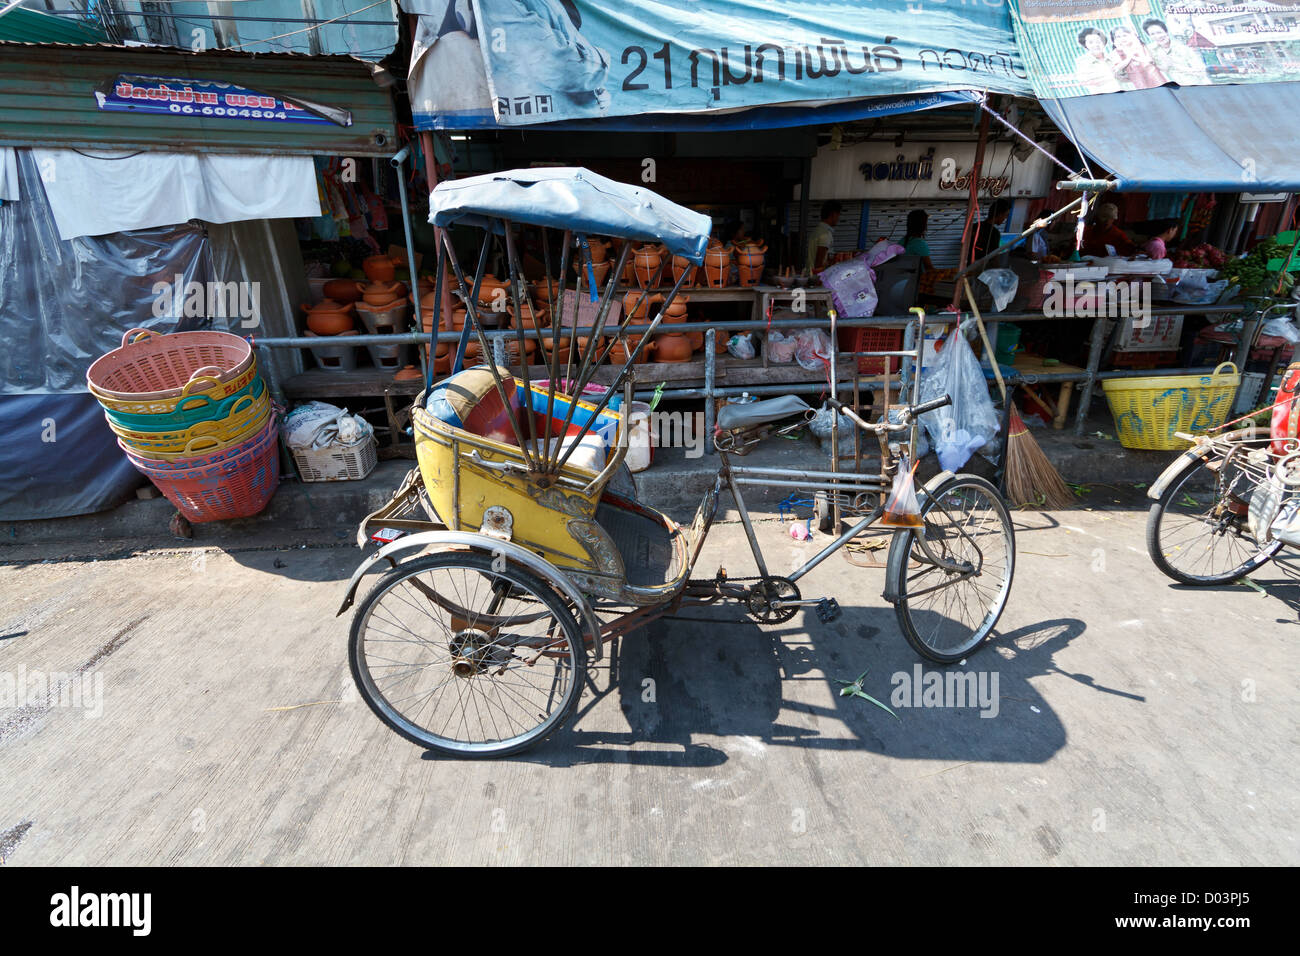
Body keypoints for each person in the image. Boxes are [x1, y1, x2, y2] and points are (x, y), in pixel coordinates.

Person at [1143, 19, 1210, 86]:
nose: (1157, 36)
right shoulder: (1151, 50)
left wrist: (1174, 65)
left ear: (1166, 32)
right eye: (1152, 34)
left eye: (1159, 32)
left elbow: (1202, 72)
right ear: (1149, 36)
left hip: (1197, 86)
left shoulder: (1183, 48)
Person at [1110, 25, 1168, 90]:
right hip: (1137, 81)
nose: (1122, 38)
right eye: (1118, 37)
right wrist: (1129, 57)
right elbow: (1117, 67)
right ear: (1115, 39)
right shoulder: (1117, 52)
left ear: (1131, 35)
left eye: (1125, 35)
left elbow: (1149, 59)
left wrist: (1134, 57)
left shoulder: (1141, 46)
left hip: (1154, 76)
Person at [1075, 27, 1122, 94]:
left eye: (1098, 41)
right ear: (1085, 45)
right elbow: (1085, 82)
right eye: (1091, 42)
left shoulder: (1112, 58)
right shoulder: (1082, 62)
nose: (1096, 45)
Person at [970, 198, 1012, 265]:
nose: (1005, 218)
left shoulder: (975, 226)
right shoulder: (994, 233)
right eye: (1005, 215)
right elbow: (994, 257)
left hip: (968, 265)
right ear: (1000, 214)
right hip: (980, 268)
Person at [806, 200, 841, 274]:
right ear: (833, 214)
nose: (838, 218)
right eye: (838, 215)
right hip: (817, 277)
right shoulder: (825, 234)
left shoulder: (817, 230)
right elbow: (818, 264)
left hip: (810, 274)